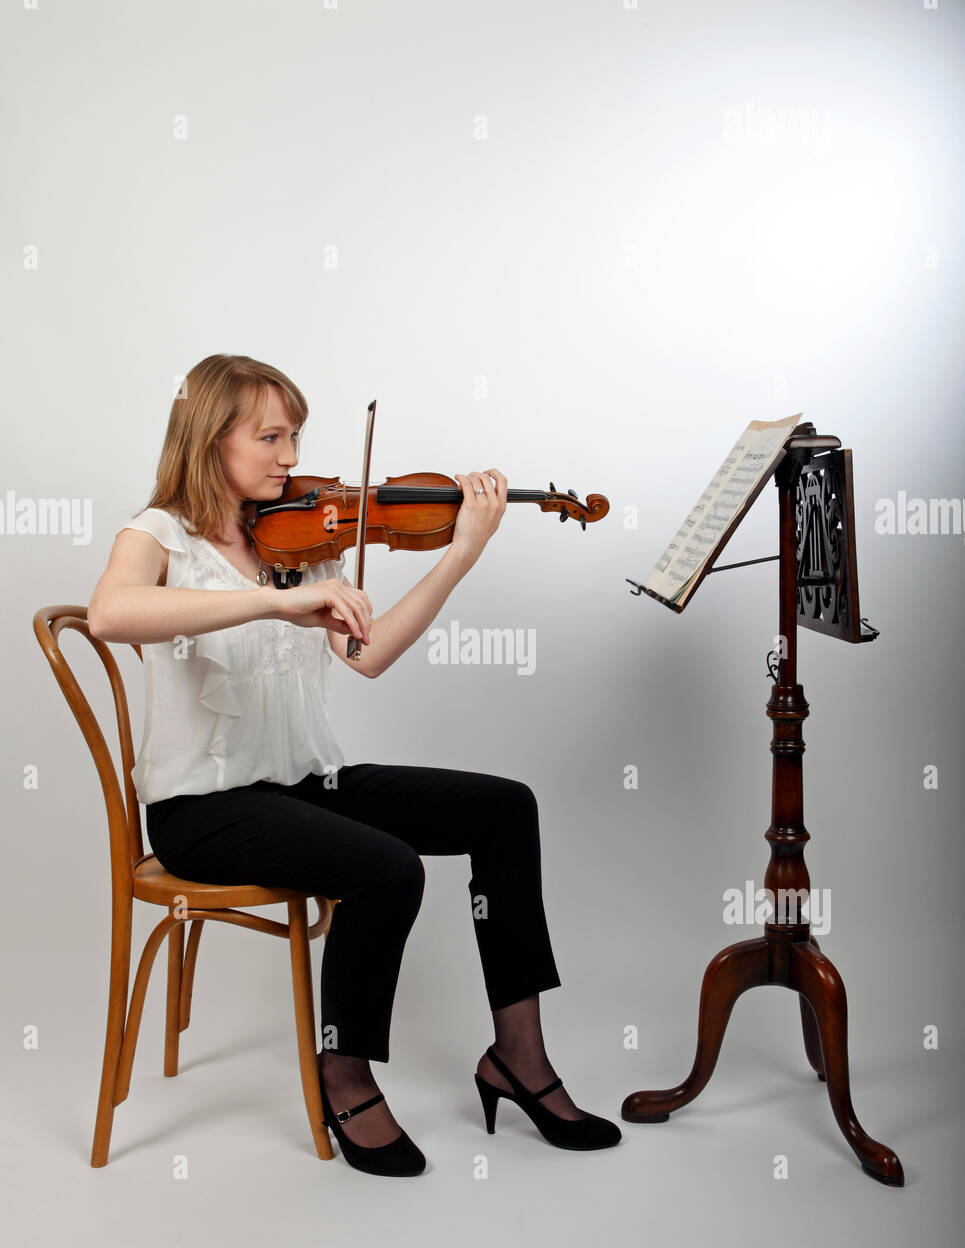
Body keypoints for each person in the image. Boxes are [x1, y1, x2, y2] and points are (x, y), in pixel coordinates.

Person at [87, 353, 621, 1177]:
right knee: (386, 869)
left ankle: (518, 1055)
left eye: (294, 436)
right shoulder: (158, 534)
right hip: (204, 810)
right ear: (208, 438)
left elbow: (365, 657)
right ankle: (345, 1074)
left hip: (304, 787)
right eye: (269, 436)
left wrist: (458, 555)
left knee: (504, 808)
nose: (290, 457)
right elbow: (111, 613)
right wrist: (271, 598)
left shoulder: (303, 531)